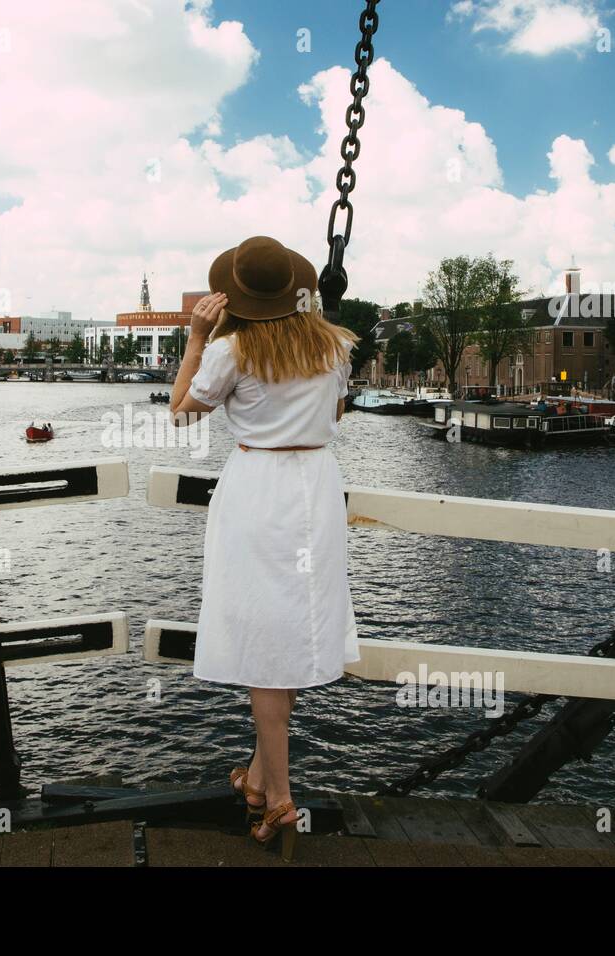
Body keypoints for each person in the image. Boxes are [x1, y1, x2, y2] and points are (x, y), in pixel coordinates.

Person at [168, 235, 359, 862]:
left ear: (237, 295)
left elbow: (180, 413)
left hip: (257, 491)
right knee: (294, 631)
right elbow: (333, 408)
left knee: (266, 640)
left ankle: (278, 792)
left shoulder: (228, 350)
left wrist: (196, 336)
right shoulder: (334, 345)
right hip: (315, 487)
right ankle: (259, 777)